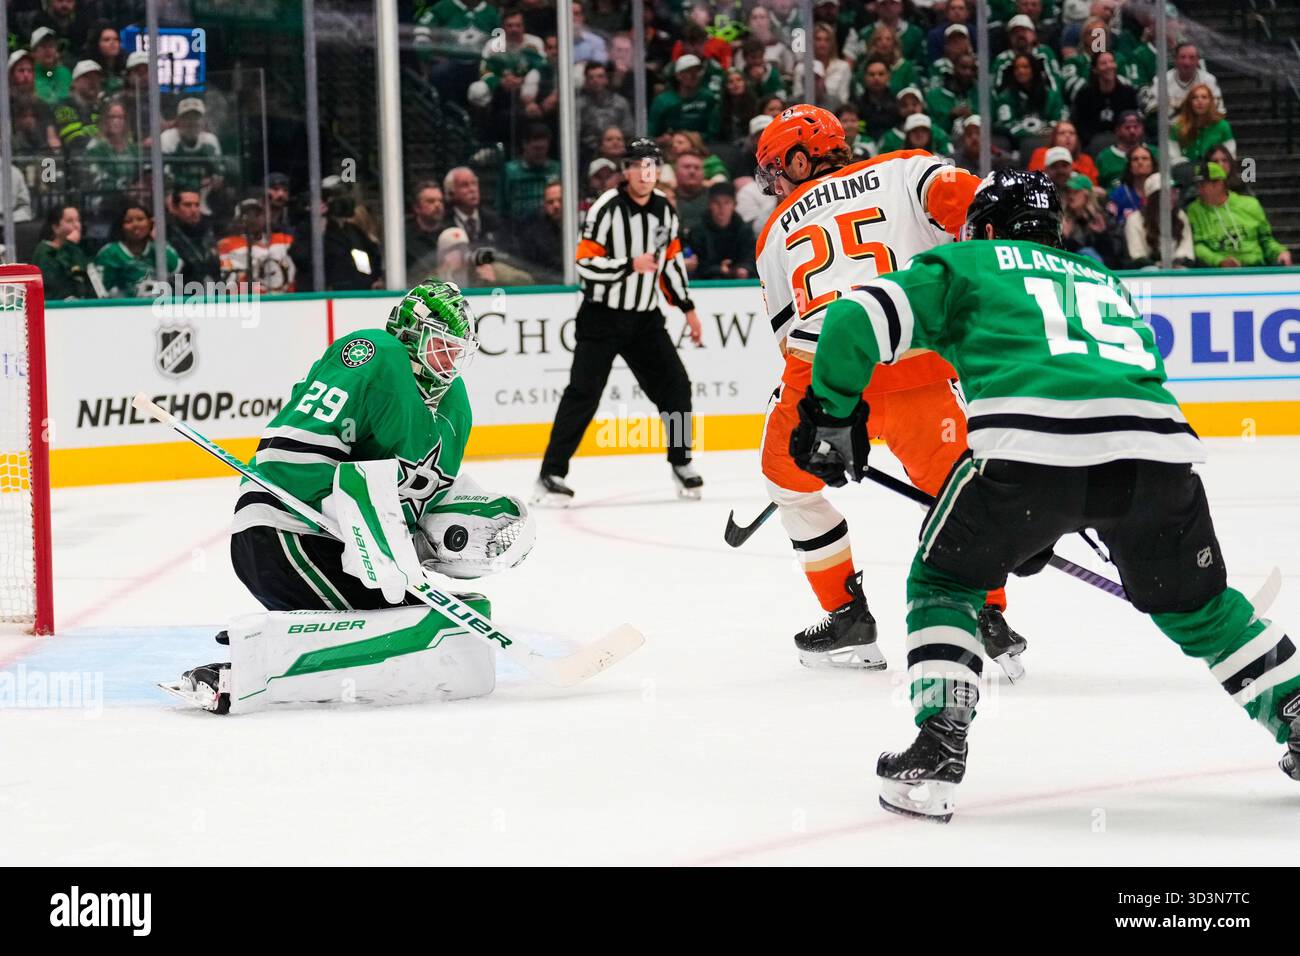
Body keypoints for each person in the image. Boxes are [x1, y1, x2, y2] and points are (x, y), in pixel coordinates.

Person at [790, 168, 1300, 823]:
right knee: (1198, 606)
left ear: (989, 228)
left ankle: (939, 743)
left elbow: (857, 315)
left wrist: (832, 413)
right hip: (1159, 457)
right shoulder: (1101, 279)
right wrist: (1087, 510)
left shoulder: (966, 261)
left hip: (1031, 455)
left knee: (944, 580)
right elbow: (1114, 381)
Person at [168, 280, 534, 714]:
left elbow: (419, 505)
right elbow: (294, 454)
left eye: (459, 350)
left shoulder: (454, 408)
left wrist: (455, 537)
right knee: (407, 629)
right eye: (442, 346)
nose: (450, 361)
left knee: (444, 628)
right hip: (286, 530)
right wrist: (350, 517)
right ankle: (239, 672)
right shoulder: (374, 352)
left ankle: (274, 658)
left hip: (342, 549)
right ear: (412, 333)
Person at [752, 105, 1026, 675]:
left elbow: (793, 342)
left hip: (830, 380)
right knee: (961, 492)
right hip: (920, 362)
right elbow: (981, 206)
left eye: (777, 168)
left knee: (789, 485)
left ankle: (847, 616)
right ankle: (988, 614)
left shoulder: (774, 233)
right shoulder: (905, 169)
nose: (775, 184)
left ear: (802, 159)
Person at [534, 138, 703, 505]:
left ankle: (681, 462)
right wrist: (629, 265)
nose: (646, 174)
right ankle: (551, 473)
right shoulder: (605, 209)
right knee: (583, 394)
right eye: (638, 166)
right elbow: (584, 264)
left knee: (676, 386)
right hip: (602, 318)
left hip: (645, 320)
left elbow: (671, 264)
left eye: (652, 166)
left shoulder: (665, 211)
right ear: (626, 170)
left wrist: (687, 308)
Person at [1186, 160, 1292, 268]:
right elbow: (1198, 246)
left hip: (1255, 268)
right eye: (1197, 185)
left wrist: (1280, 252)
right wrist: (1219, 261)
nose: (1198, 190)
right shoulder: (1194, 209)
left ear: (1219, 184)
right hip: (1218, 273)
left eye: (1202, 185)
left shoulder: (1250, 204)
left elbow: (1266, 240)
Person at [94, 203, 180, 298]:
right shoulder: (109, 253)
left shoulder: (159, 247)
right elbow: (103, 290)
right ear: (121, 226)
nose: (135, 225)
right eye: (128, 221)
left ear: (150, 223)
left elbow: (173, 267)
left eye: (140, 219)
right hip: (123, 308)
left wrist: (158, 241)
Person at [218, 197, 297, 294]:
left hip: (286, 300)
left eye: (258, 214)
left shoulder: (284, 240)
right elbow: (229, 282)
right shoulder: (228, 245)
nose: (254, 219)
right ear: (239, 220)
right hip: (251, 302)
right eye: (248, 215)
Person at [994, 53, 1067, 149]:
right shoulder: (1006, 96)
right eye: (1016, 68)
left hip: (1046, 139)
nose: (1020, 71)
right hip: (1018, 143)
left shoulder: (1051, 95)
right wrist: (1030, 131)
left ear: (1034, 69)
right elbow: (1005, 124)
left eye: (1025, 67)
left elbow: (1059, 120)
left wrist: (1043, 130)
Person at [1123, 173, 1195, 269]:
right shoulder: (1134, 220)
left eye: (1174, 192)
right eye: (1167, 193)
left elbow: (1187, 252)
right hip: (1147, 274)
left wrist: (1176, 262)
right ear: (1153, 197)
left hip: (1177, 270)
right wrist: (1159, 265)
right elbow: (1137, 257)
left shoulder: (1180, 216)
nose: (1173, 197)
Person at [1069, 50, 1138, 149]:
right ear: (1095, 69)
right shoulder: (1084, 95)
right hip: (1091, 144)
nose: (1109, 66)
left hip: (1123, 144)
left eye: (1111, 62)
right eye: (1103, 63)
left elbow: (1132, 121)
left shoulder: (1128, 93)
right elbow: (1079, 125)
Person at [687, 180, 755, 279]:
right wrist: (718, 269)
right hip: (706, 284)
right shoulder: (697, 232)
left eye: (726, 203)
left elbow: (751, 257)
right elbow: (695, 263)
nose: (721, 208)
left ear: (734, 205)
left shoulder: (744, 231)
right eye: (716, 203)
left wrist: (744, 269)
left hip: (740, 284)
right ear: (710, 205)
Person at [160, 98, 225, 197]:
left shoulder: (210, 141)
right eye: (186, 117)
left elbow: (218, 175)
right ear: (178, 120)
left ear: (203, 121)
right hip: (176, 195)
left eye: (196, 117)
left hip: (205, 194)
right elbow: (165, 177)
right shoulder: (167, 138)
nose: (191, 122)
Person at [498, 123, 560, 222]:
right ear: (524, 145)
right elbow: (501, 207)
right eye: (536, 149)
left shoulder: (557, 169)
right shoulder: (510, 171)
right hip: (518, 226)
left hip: (551, 224)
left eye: (543, 148)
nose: (540, 153)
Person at [32, 204, 97, 300]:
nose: (76, 225)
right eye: (70, 221)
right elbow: (55, 283)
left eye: (78, 220)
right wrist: (69, 244)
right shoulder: (44, 251)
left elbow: (81, 278)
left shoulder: (76, 250)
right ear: (55, 227)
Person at [649, 54, 720, 140]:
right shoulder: (663, 101)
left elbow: (715, 131)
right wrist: (662, 140)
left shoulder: (708, 98)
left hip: (704, 146)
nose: (694, 75)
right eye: (688, 71)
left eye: (697, 71)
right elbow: (652, 133)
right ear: (678, 75)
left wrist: (701, 136)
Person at [1169, 83, 1236, 166]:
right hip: (1186, 171)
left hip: (1216, 170)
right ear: (1189, 102)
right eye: (1195, 98)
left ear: (1210, 101)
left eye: (1204, 97)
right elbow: (1173, 157)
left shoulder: (1223, 126)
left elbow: (1230, 155)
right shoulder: (1177, 127)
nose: (1199, 101)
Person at [167, 187, 222, 286]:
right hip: (180, 295)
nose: (194, 210)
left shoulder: (207, 230)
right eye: (187, 205)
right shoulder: (167, 233)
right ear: (174, 208)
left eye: (197, 205)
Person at [513, 179, 564, 282]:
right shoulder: (535, 234)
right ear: (544, 206)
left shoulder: (582, 226)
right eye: (550, 202)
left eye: (560, 200)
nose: (556, 206)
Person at [576, 61, 632, 154]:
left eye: (600, 76)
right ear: (586, 81)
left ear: (606, 79)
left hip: (617, 151)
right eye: (591, 77)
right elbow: (575, 136)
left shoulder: (621, 103)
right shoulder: (579, 106)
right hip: (588, 153)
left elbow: (628, 132)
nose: (595, 80)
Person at [1094, 110, 1157, 191]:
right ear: (1117, 130)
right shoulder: (1104, 157)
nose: (1132, 131)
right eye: (1127, 127)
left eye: (1136, 127)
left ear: (1143, 128)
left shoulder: (1154, 152)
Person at [53, 59, 103, 154]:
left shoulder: (104, 107)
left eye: (96, 78)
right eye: (87, 78)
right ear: (74, 82)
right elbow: (74, 139)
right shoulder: (64, 106)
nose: (93, 82)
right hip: (75, 162)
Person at [1027, 121, 1099, 185]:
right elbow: (1036, 181)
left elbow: (1093, 187)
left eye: (1072, 133)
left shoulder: (1086, 159)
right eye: (1062, 133)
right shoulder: (1042, 154)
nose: (1068, 136)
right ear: (1054, 138)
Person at [1105, 143, 1156, 223]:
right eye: (1135, 159)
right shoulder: (1119, 194)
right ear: (1130, 166)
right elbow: (1110, 224)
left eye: (1145, 158)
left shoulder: (1161, 192)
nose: (1140, 162)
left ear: (1152, 164)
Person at [406, 180, 447, 273]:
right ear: (417, 207)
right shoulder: (404, 238)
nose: (438, 205)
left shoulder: (449, 234)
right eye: (430, 201)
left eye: (440, 201)